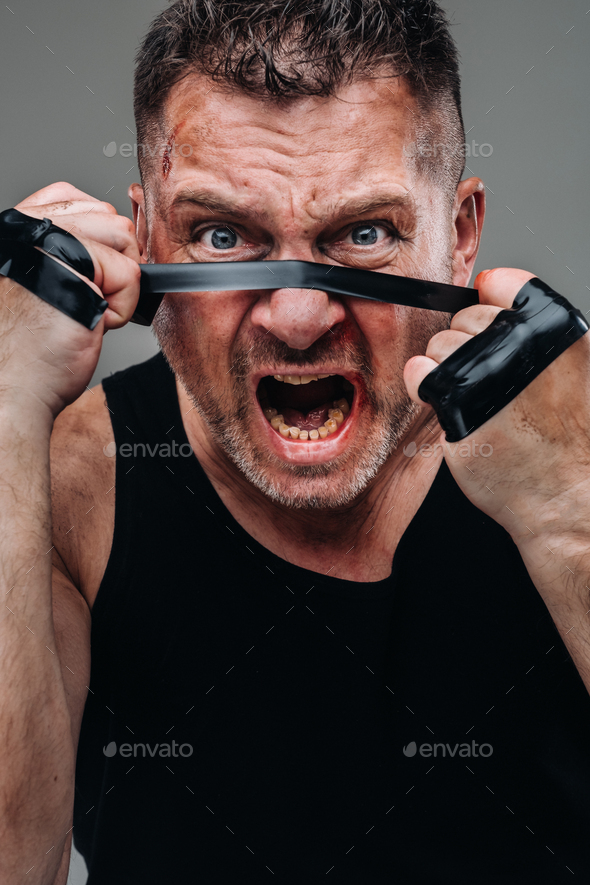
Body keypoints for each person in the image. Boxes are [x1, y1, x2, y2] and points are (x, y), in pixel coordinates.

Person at [1, 1, 590, 882]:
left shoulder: (573, 453)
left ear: (459, 236)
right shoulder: (68, 482)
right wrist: (4, 402)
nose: (300, 317)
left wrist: (568, 515)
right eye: (221, 236)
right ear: (145, 234)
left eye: (364, 234)